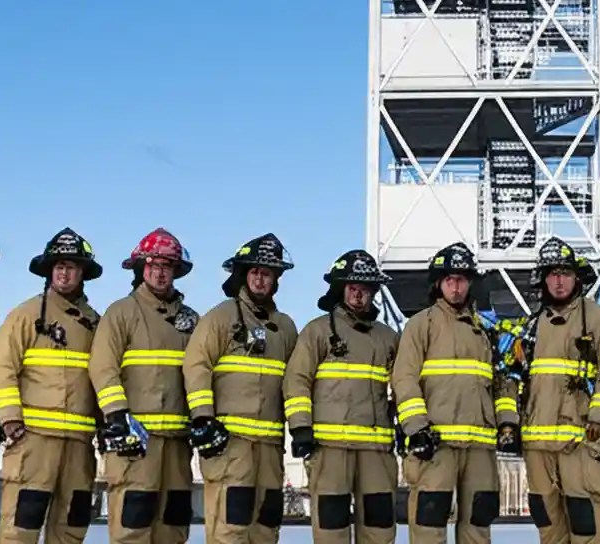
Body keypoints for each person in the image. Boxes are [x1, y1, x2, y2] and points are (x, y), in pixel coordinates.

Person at [391, 242, 519, 544]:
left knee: (478, 523)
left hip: (480, 448)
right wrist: (417, 428)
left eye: (462, 279)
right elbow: (404, 379)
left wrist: (508, 422)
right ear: (439, 283)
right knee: (428, 524)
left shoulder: (488, 329)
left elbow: (504, 381)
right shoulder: (421, 325)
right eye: (449, 279)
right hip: (436, 444)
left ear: (470, 283)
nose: (456, 286)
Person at [0, 227, 103, 544]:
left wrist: (107, 426)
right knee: (20, 530)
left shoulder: (97, 323)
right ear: (50, 271)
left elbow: (106, 377)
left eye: (72, 266)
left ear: (83, 273)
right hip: (33, 441)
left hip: (80, 446)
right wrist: (9, 416)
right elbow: (0, 366)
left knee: (72, 528)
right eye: (59, 266)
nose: (65, 273)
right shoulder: (26, 315)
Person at [183, 234, 300, 544]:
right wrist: (203, 418)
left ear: (276, 280)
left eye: (268, 274)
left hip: (270, 448)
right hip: (229, 446)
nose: (261, 279)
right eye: (255, 272)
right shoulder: (221, 317)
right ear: (243, 276)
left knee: (266, 529)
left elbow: (298, 381)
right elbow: (196, 365)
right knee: (229, 530)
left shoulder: (285, 327)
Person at [89, 228, 199, 544]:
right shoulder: (121, 312)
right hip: (134, 442)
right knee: (132, 527)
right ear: (141, 268)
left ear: (176, 271)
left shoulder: (192, 320)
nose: (160, 273)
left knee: (174, 525)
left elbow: (203, 374)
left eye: (167, 266)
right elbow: (102, 366)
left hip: (177, 443)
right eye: (154, 265)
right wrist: (117, 415)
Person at [282, 250, 399, 544]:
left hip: (376, 450)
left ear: (374, 292)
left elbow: (404, 386)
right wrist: (300, 428)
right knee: (331, 527)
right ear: (340, 289)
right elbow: (297, 380)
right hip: (329, 449)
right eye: (353, 288)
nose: (359, 295)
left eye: (365, 289)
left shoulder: (388, 338)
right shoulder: (318, 332)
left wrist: (407, 428)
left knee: (380, 525)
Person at [519, 237, 600, 544]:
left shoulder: (599, 322)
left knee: (589, 529)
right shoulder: (531, 328)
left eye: (565, 273)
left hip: (582, 444)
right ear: (543, 279)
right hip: (539, 449)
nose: (559, 280)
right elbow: (515, 380)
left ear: (577, 277)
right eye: (552, 274)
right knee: (549, 530)